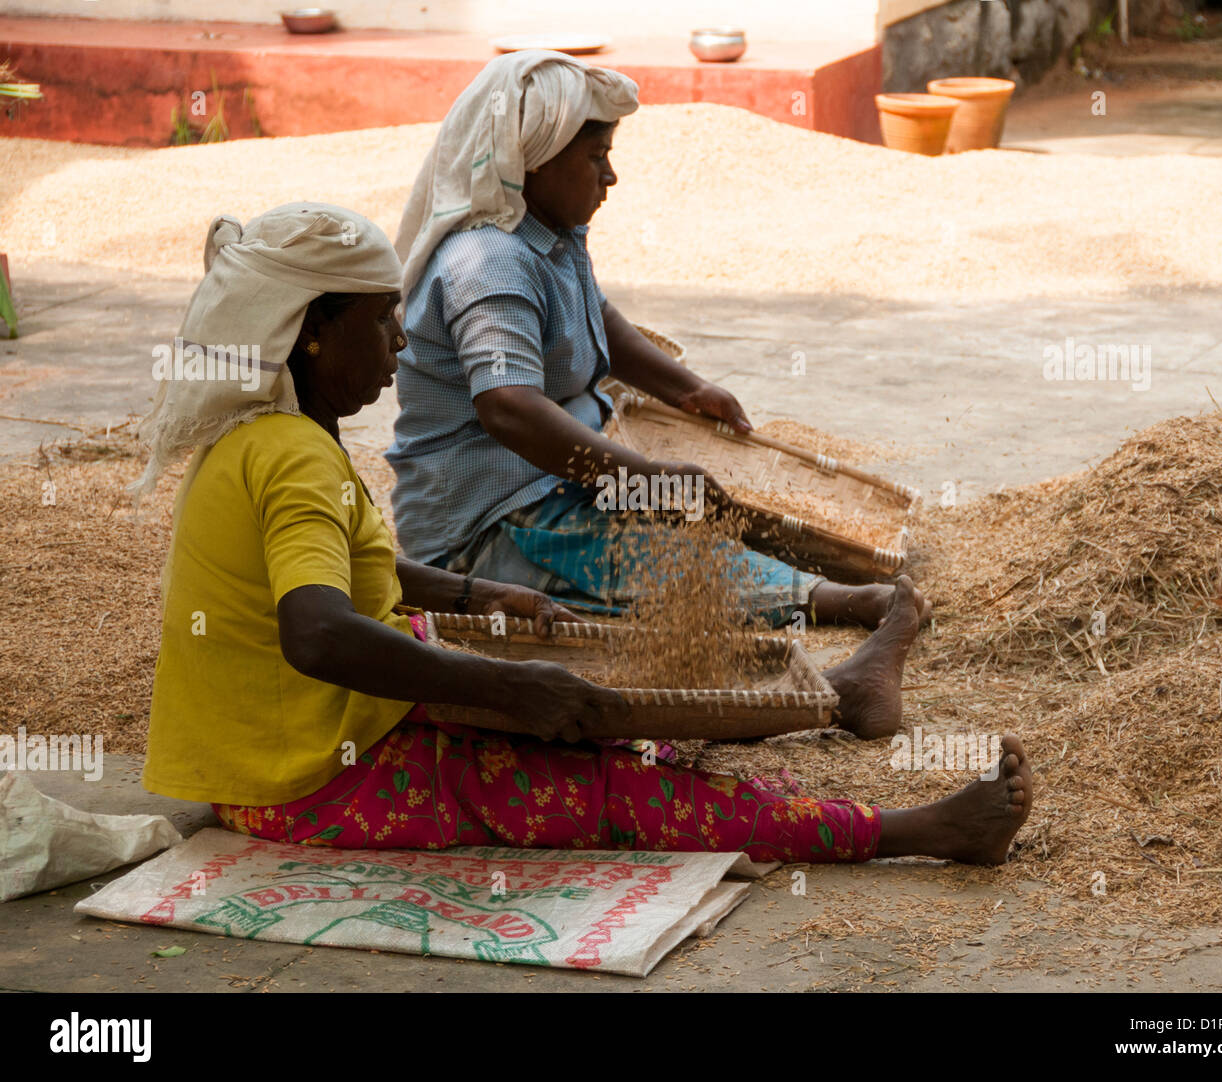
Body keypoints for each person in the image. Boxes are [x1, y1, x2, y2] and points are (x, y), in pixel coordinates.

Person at [132, 202, 1031, 866]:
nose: (401, 343)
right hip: (307, 781)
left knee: (614, 712)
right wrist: (503, 685)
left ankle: (821, 695)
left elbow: (357, 565)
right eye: (379, 321)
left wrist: (473, 596)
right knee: (616, 783)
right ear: (314, 334)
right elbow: (317, 630)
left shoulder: (272, 436)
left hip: (298, 752)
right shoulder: (291, 454)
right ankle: (910, 833)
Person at [386, 49, 932, 635]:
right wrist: (646, 480)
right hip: (488, 524)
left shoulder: (549, 235)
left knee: (696, 513)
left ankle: (814, 582)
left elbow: (596, 314)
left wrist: (688, 388)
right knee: (675, 559)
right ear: (533, 162)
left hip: (556, 486)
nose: (610, 176)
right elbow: (509, 408)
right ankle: (849, 603)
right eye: (596, 158)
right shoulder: (489, 264)